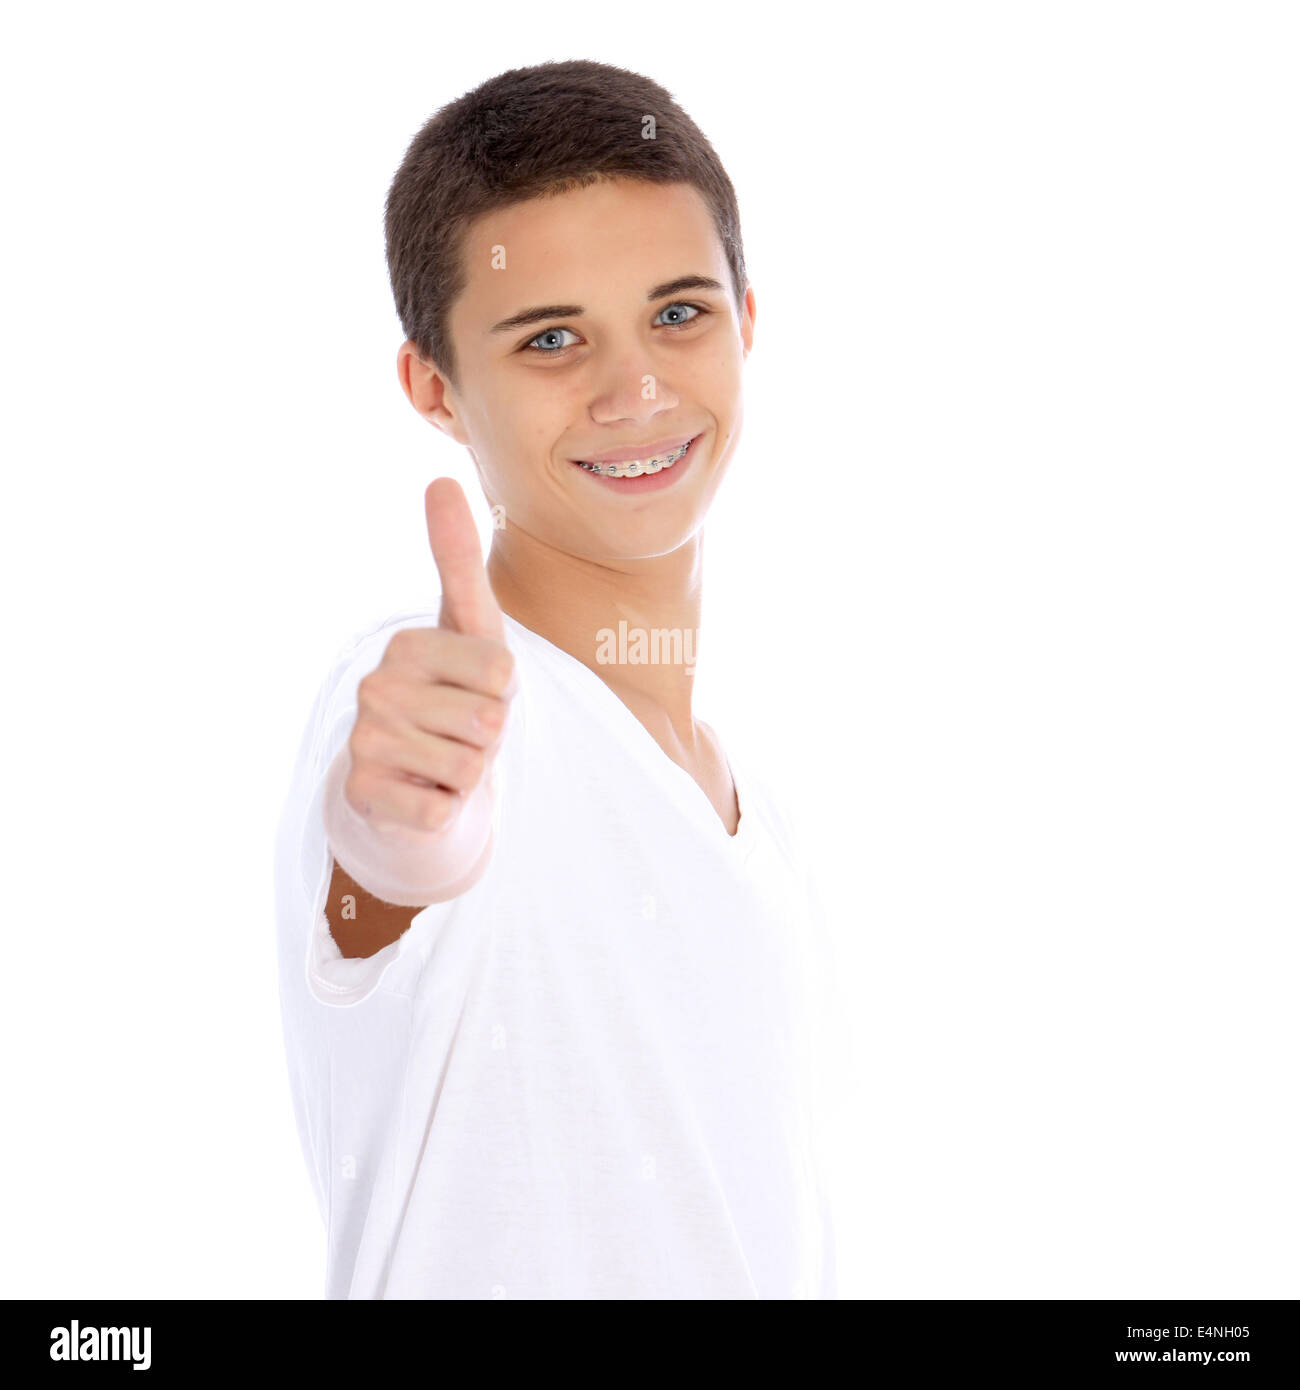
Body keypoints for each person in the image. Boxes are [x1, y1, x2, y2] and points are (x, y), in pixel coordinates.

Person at [274, 58, 841, 1299]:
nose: (634, 388)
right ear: (434, 387)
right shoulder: (429, 706)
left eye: (678, 313)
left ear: (749, 317)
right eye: (548, 338)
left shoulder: (764, 818)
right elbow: (380, 880)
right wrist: (391, 844)